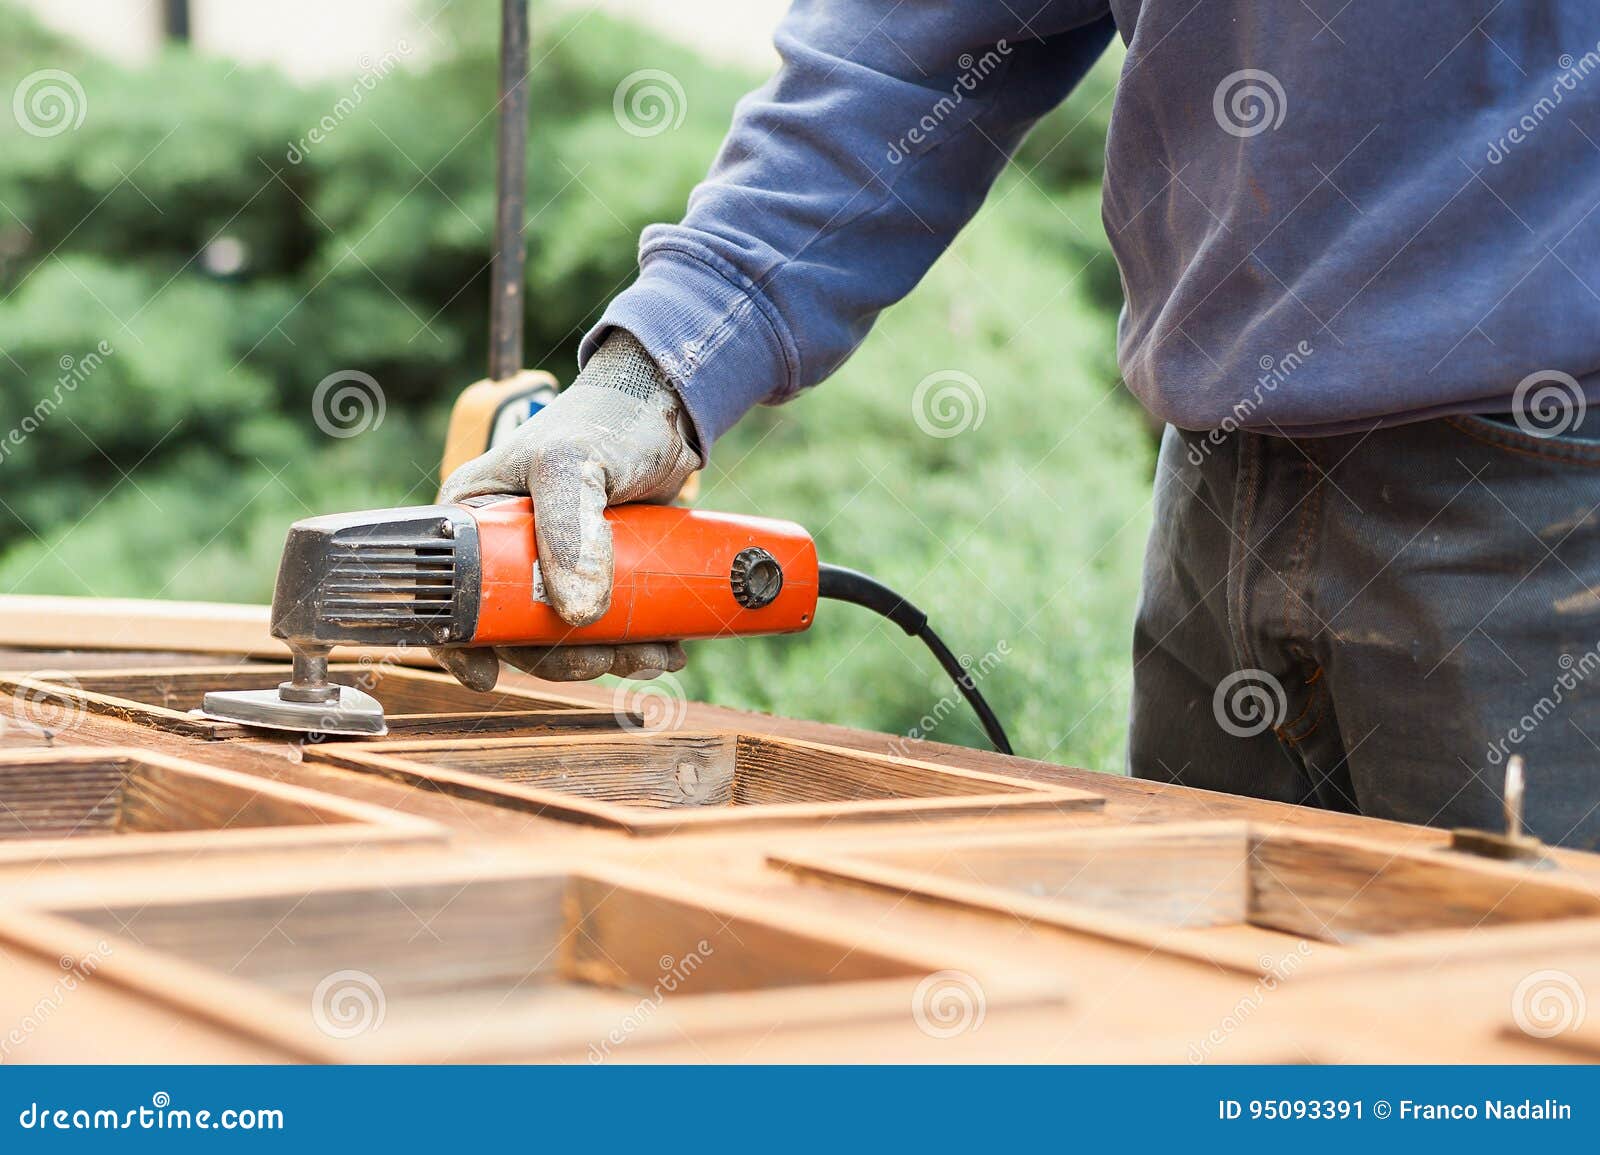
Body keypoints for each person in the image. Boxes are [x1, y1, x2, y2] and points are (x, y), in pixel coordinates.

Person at [438, 3, 1600, 849]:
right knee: (1208, 1037)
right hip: (1219, 482)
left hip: (1550, 495)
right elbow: (903, 56)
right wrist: (656, 374)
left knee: (1526, 1041)